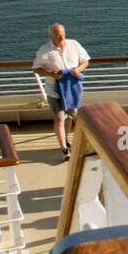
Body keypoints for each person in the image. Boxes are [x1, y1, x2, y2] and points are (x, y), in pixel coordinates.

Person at [33, 23, 90, 161]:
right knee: (59, 119)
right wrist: (50, 74)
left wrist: (78, 70)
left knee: (70, 117)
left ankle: (67, 139)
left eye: (63, 34)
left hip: (72, 88)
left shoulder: (74, 44)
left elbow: (85, 60)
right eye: (58, 35)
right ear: (51, 36)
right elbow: (36, 68)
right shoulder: (44, 51)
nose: (61, 37)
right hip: (55, 90)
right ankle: (64, 148)